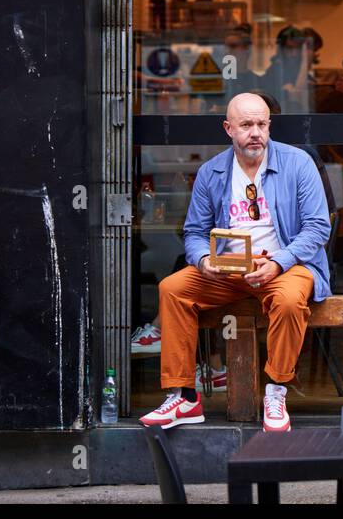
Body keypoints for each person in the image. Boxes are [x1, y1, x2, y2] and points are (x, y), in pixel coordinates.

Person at [139, 92, 332, 432]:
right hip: (228, 269)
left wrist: (279, 262)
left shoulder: (298, 163)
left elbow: (318, 227)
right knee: (172, 288)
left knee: (288, 301)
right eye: (246, 125)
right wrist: (202, 260)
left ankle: (275, 389)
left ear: (269, 125)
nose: (255, 132)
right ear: (228, 128)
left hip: (284, 265)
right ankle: (183, 396)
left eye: (261, 124)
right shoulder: (211, 171)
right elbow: (194, 232)